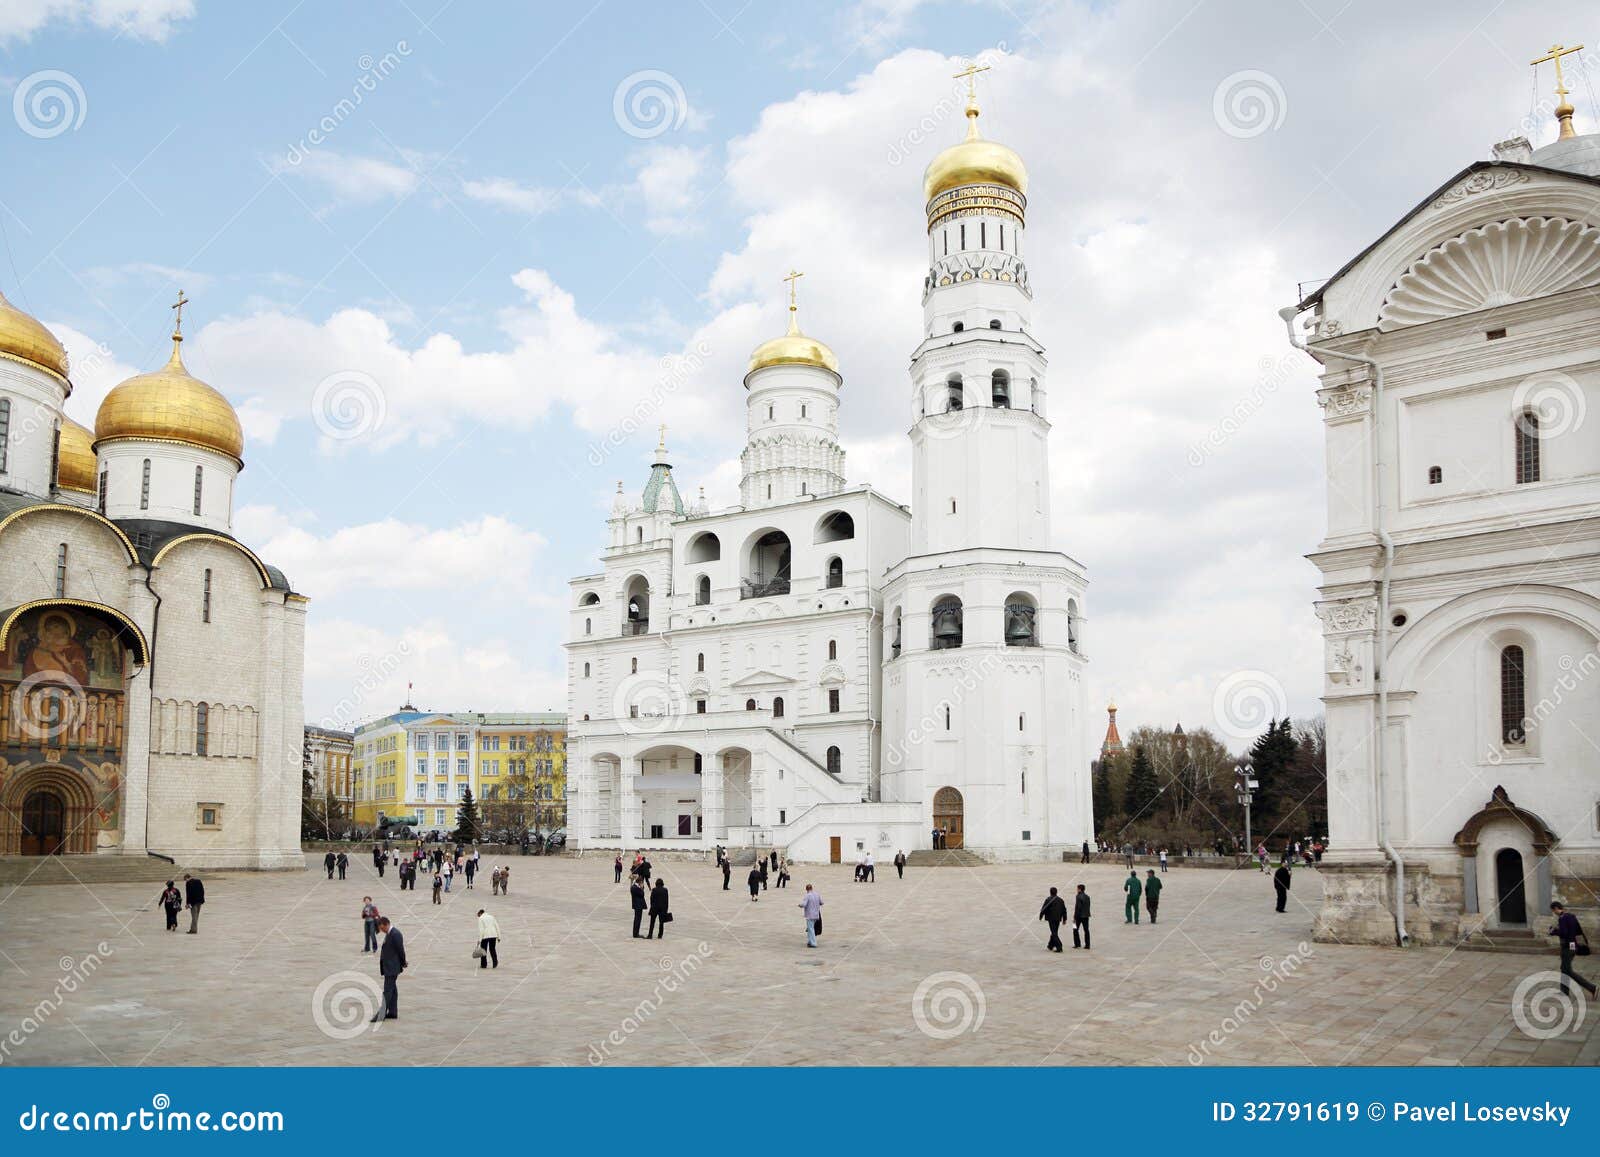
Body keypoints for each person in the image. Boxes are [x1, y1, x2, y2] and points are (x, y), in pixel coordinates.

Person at [1549, 902, 1597, 997]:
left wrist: (1553, 931)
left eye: (1553, 910)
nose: (1553, 913)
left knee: (1567, 970)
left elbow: (1564, 933)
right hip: (1572, 945)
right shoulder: (1570, 916)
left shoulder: (1563, 918)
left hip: (1567, 947)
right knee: (1564, 969)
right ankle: (1564, 992)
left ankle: (1592, 988)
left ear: (1556, 908)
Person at [371, 917, 405, 1021]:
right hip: (389, 967)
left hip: (392, 968)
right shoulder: (390, 934)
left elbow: (401, 950)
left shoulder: (395, 934)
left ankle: (381, 1014)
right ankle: (393, 1012)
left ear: (386, 924)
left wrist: (403, 962)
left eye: (382, 928)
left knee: (387, 991)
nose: (382, 931)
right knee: (393, 990)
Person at [1039, 886, 1067, 952]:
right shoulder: (1060, 900)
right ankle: (1050, 945)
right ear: (1056, 892)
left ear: (1050, 892)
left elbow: (1044, 908)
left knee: (1054, 933)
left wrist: (1041, 916)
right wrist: (1064, 919)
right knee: (1054, 932)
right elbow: (1064, 910)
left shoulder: (1048, 899)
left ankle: (1059, 947)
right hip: (1058, 918)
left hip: (1051, 918)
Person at [799, 883, 823, 948]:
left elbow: (804, 904)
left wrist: (800, 905)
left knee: (811, 929)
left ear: (806, 889)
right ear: (812, 888)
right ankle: (810, 941)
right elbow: (821, 902)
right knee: (810, 929)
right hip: (816, 914)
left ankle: (813, 943)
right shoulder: (817, 894)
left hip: (810, 915)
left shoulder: (808, 895)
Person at [1072, 884, 1091, 949]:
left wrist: (1074, 917)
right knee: (1086, 930)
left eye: (1077, 889)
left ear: (1079, 889)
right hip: (1086, 916)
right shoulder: (1087, 897)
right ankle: (1087, 945)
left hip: (1079, 916)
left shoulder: (1078, 896)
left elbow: (1078, 907)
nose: (1077, 890)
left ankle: (1077, 944)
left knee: (1075, 929)